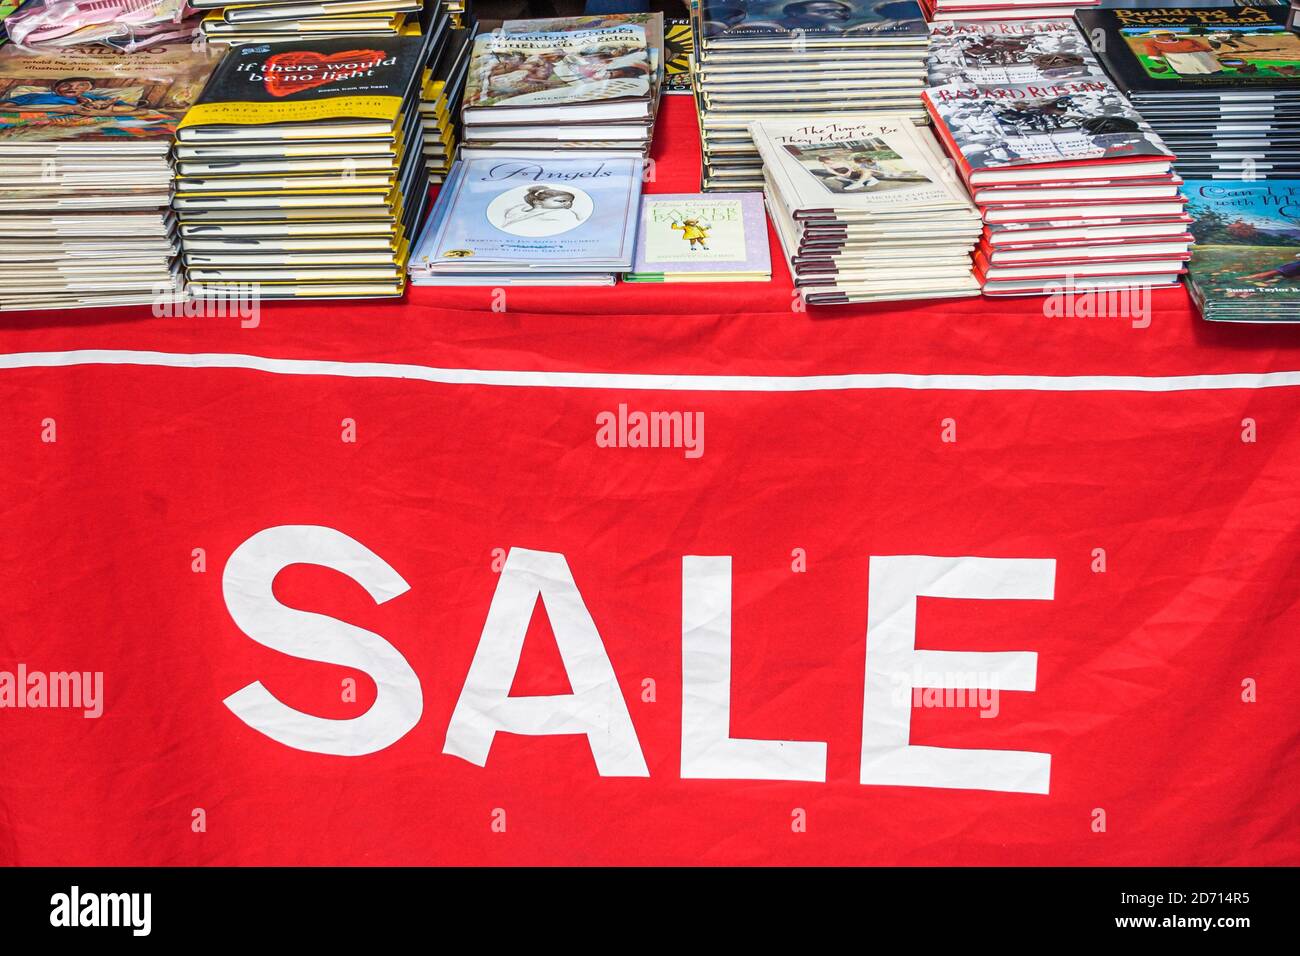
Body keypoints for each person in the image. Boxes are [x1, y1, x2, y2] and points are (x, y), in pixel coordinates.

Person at [1140, 31, 1223, 76]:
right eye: (1165, 34)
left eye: (1171, 34)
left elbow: (1202, 47)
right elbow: (1154, 53)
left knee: (1209, 68)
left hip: (1199, 56)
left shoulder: (1187, 40)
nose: (1170, 36)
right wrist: (1158, 60)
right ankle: (1164, 68)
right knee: (1187, 71)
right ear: (1157, 36)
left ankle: (1214, 72)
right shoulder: (1151, 43)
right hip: (1178, 60)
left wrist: (1212, 53)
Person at [501, 186, 580, 228]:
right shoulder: (516, 212)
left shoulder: (563, 213)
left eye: (570, 201)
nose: (568, 203)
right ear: (538, 202)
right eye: (562, 201)